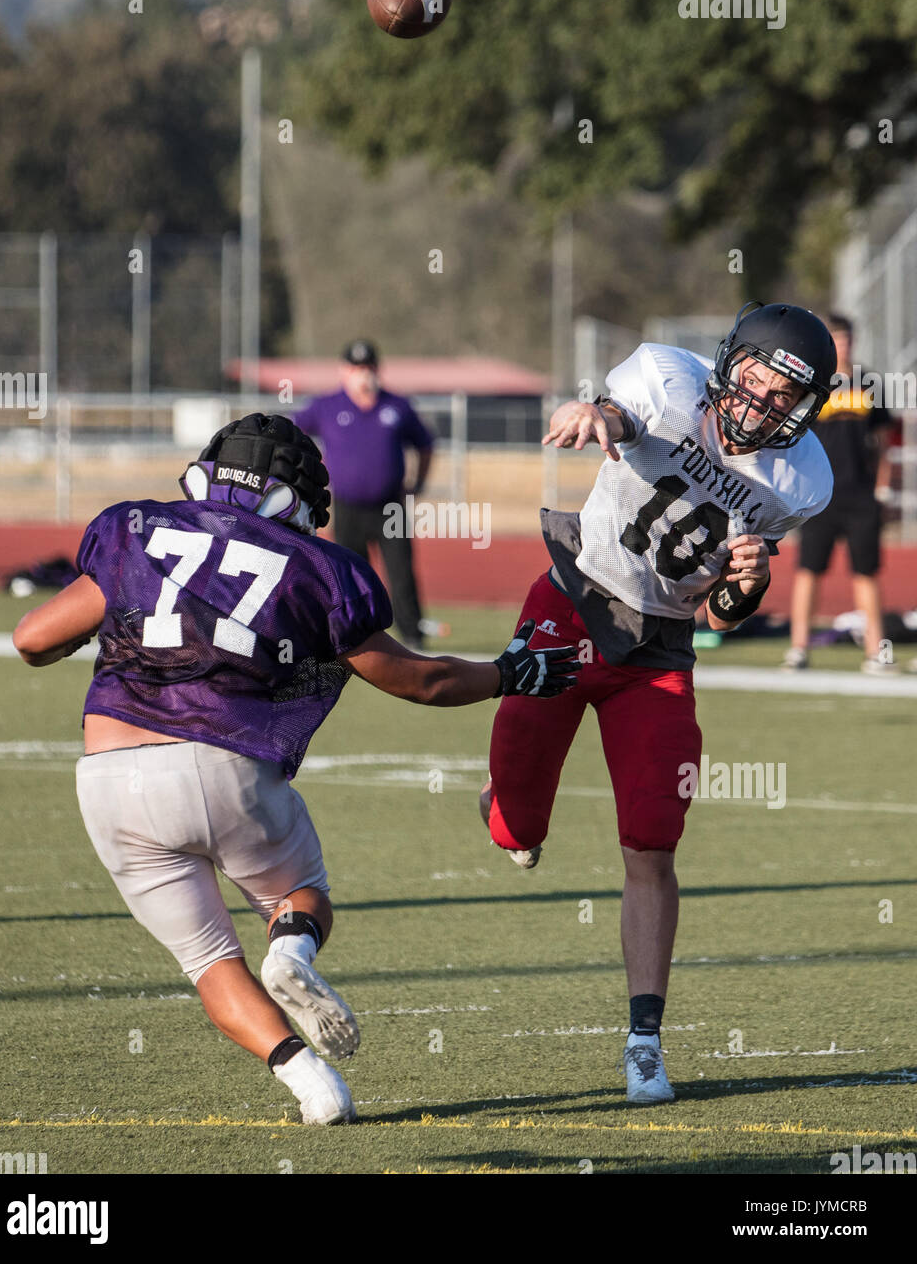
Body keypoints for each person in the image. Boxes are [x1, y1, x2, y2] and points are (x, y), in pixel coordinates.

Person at [12, 415, 576, 1127]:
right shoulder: (319, 566)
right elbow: (417, 680)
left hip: (109, 783)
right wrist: (508, 673)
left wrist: (120, 624)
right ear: (294, 495)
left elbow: (31, 640)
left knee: (209, 961)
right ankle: (291, 948)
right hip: (225, 768)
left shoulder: (134, 530)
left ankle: (314, 1086)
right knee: (301, 895)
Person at [479, 303, 836, 1104]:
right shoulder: (667, 385)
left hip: (660, 648)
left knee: (652, 839)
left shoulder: (800, 481)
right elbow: (619, 412)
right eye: (758, 376)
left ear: (804, 409)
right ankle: (501, 806)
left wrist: (749, 583)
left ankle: (644, 1040)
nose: (765, 400)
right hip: (571, 604)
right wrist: (591, 413)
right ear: (729, 361)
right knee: (517, 827)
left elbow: (723, 612)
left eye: (788, 394)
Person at [295, 341, 433, 648]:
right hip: (346, 507)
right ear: (345, 371)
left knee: (401, 572)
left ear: (377, 370)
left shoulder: (396, 406)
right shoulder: (326, 406)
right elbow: (292, 432)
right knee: (347, 574)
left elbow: (424, 443)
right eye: (357, 369)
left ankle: (412, 635)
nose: (363, 375)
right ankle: (349, 634)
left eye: (368, 368)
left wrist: (418, 482)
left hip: (389, 506)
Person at [783, 314, 896, 675]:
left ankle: (876, 653)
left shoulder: (869, 382)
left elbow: (883, 442)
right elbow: (794, 439)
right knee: (809, 570)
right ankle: (799, 649)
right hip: (819, 494)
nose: (843, 345)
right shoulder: (812, 383)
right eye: (836, 339)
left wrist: (883, 489)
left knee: (867, 573)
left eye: (847, 338)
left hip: (861, 496)